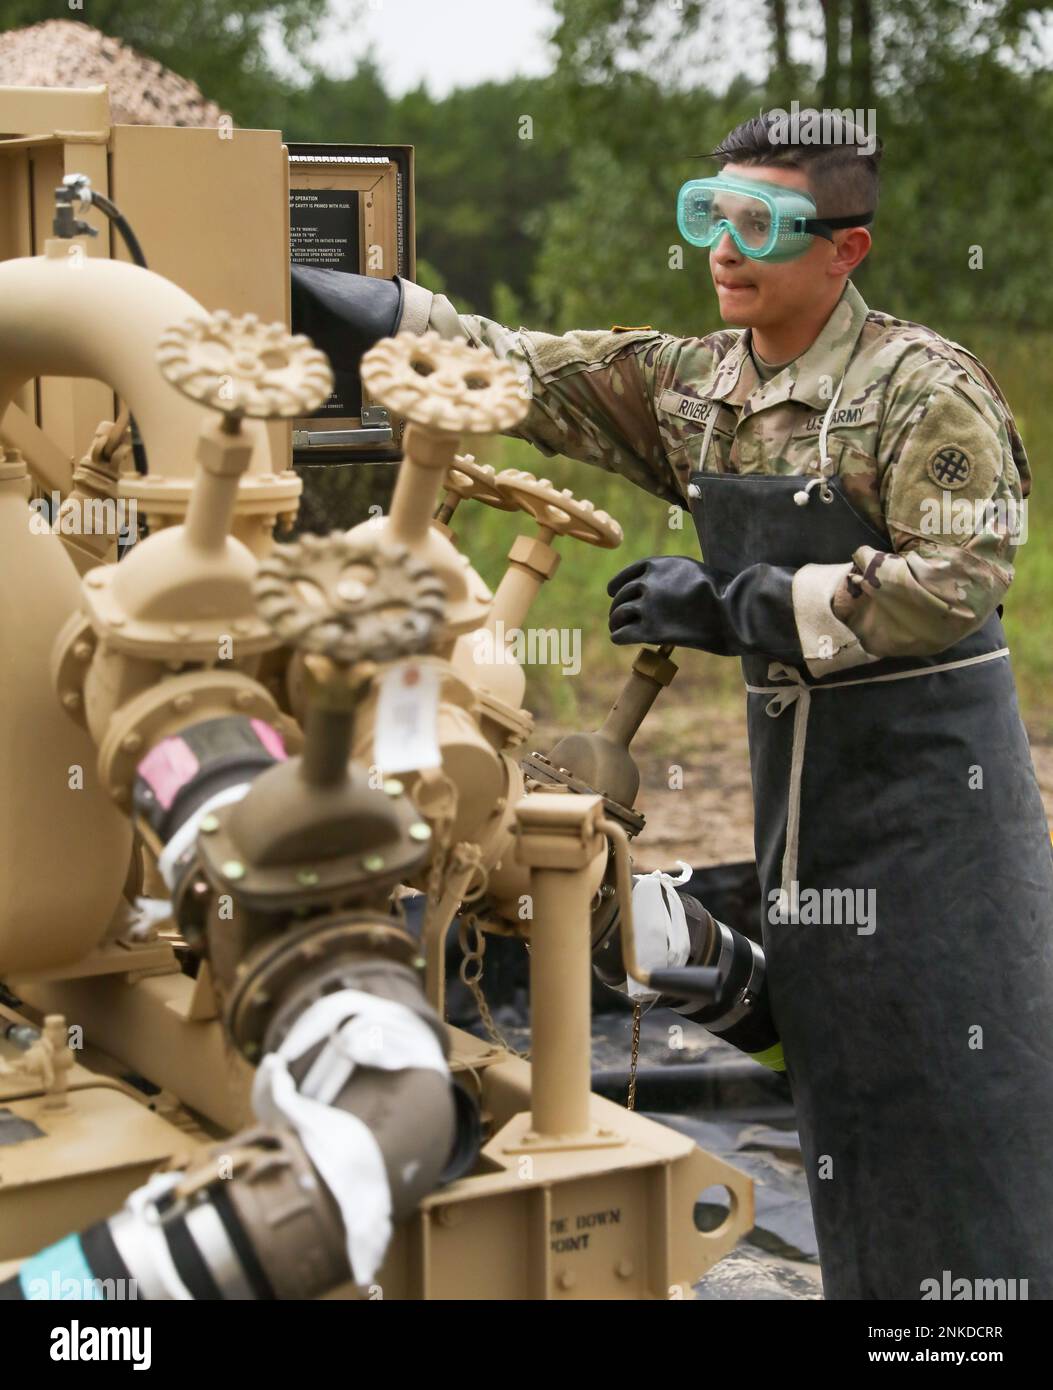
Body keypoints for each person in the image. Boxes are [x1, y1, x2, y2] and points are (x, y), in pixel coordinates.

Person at [289, 110, 1053, 1301]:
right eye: (711, 214)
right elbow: (534, 369)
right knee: (839, 1072)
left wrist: (745, 601)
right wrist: (370, 313)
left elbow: (961, 580)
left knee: (958, 1090)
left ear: (844, 249)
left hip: (937, 820)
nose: (724, 247)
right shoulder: (699, 384)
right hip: (812, 801)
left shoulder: (921, 391)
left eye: (761, 223)